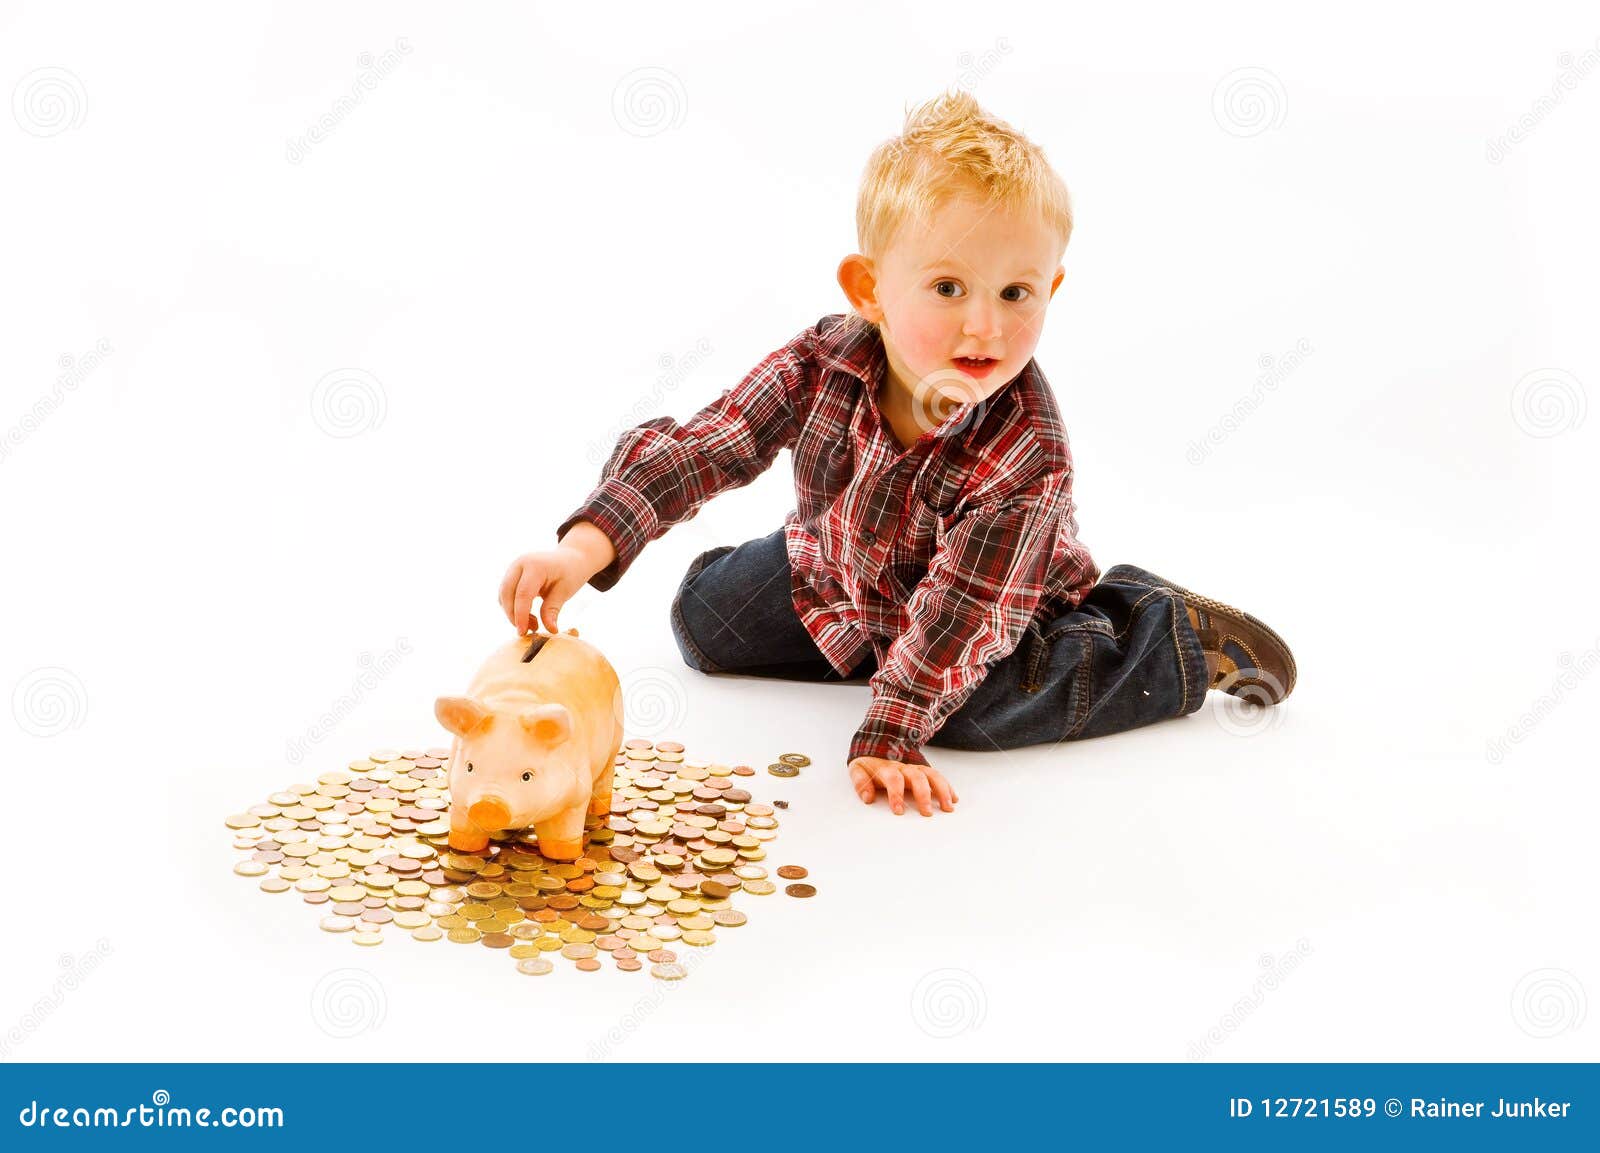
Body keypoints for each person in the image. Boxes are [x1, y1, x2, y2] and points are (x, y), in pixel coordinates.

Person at [499, 89, 1295, 819]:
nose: (984, 325)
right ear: (870, 289)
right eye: (948, 288)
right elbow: (715, 440)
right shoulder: (825, 361)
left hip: (991, 603)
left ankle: (1159, 632)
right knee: (704, 625)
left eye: (1016, 293)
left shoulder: (1028, 452)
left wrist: (891, 724)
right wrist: (583, 545)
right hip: (838, 571)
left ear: (1050, 290)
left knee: (974, 714)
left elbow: (962, 610)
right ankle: (876, 641)